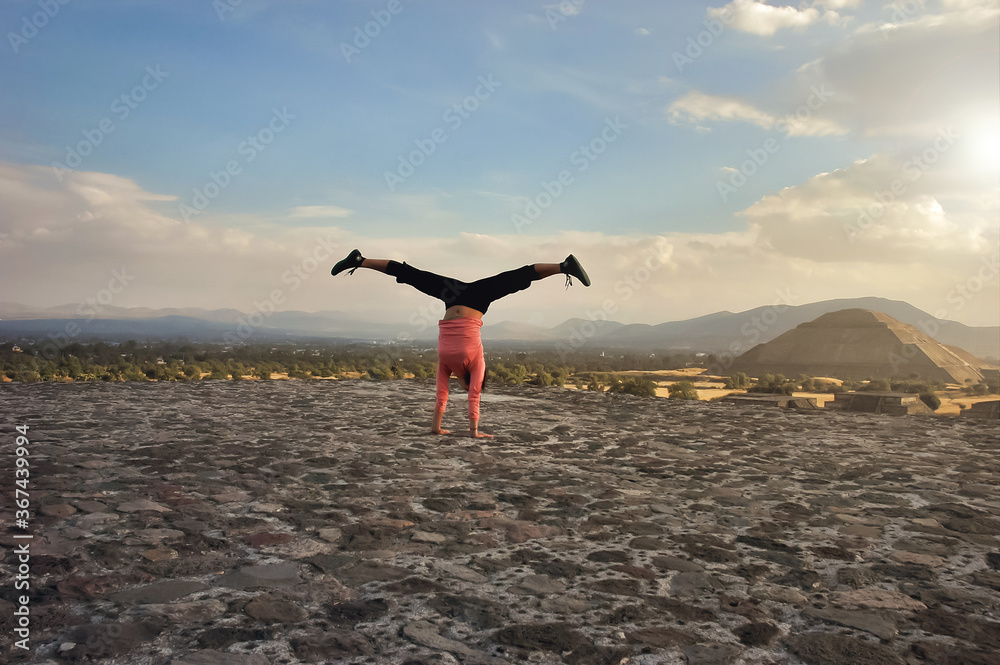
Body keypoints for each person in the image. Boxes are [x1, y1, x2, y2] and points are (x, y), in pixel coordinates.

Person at [331, 249, 591, 438]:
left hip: (452, 296)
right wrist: (474, 432)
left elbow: (441, 398)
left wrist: (435, 429)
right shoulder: (476, 364)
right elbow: (474, 397)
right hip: (477, 299)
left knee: (410, 274)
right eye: (464, 386)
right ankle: (564, 266)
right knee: (519, 276)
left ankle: (360, 260)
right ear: (469, 380)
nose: (463, 388)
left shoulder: (447, 365)